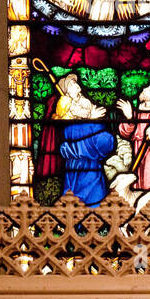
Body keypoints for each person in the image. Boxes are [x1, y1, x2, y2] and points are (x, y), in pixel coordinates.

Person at [53, 73, 115, 205]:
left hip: (91, 166)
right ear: (67, 91)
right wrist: (92, 119)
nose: (77, 86)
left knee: (93, 198)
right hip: (78, 167)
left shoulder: (84, 101)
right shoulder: (67, 105)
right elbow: (101, 140)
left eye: (76, 83)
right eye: (72, 85)